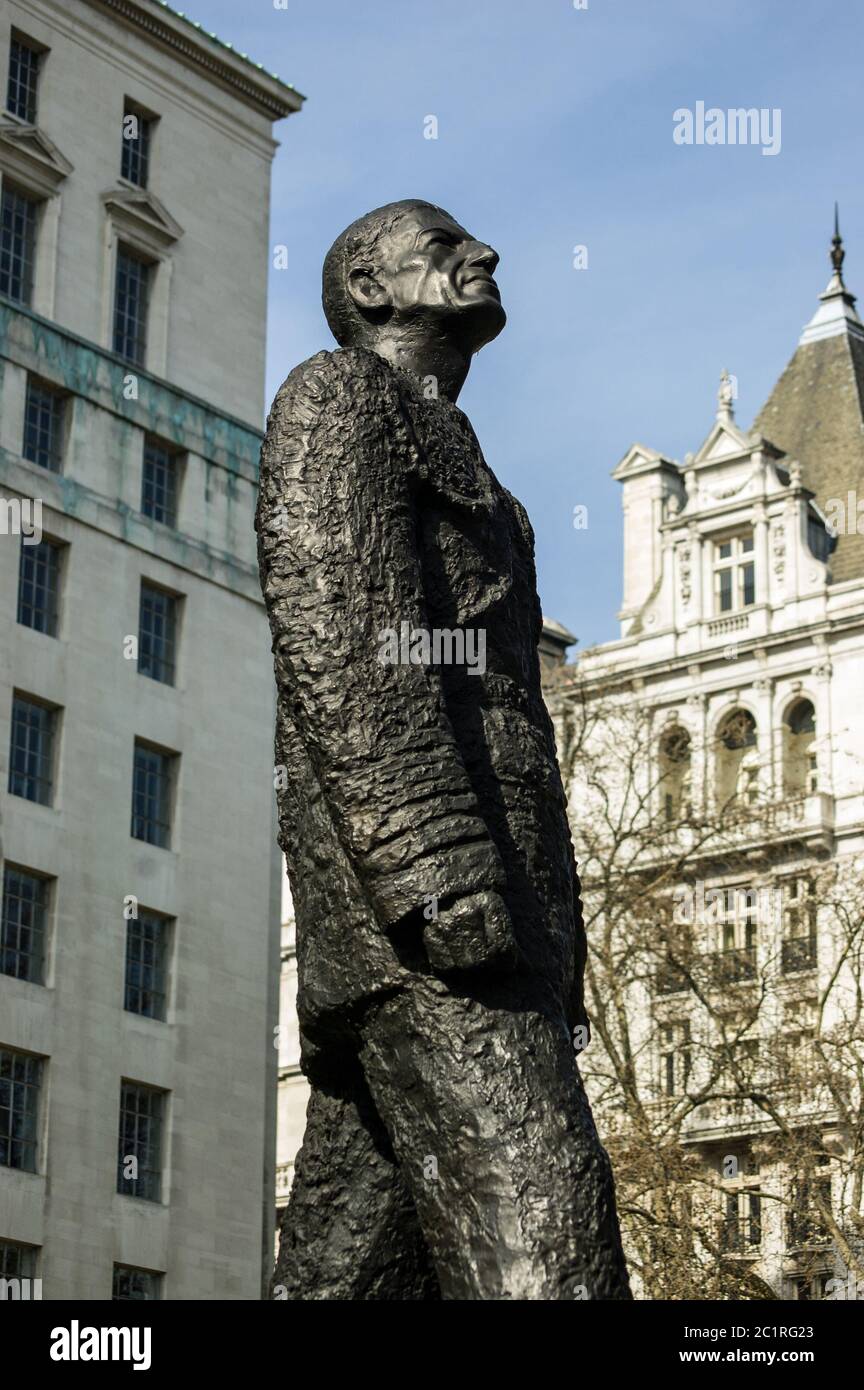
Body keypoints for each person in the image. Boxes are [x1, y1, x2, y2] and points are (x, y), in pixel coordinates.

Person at [256, 200, 631, 1300]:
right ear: (370, 288)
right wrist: (436, 871)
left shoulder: (481, 479)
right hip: (433, 925)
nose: (487, 253)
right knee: (552, 1255)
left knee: (347, 1277)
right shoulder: (340, 397)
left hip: (487, 931)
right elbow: (343, 639)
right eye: (445, 244)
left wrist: (557, 949)